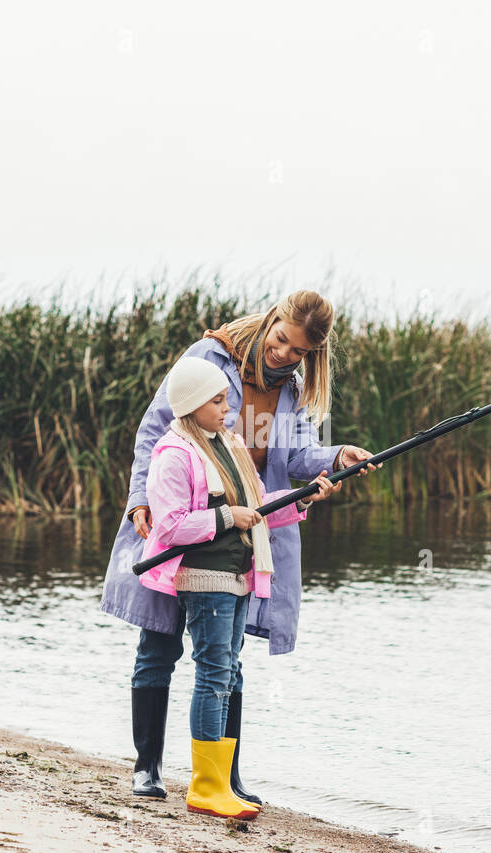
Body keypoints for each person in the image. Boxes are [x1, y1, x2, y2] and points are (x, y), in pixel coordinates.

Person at [99, 290, 379, 803]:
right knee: (159, 643)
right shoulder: (208, 358)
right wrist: (140, 498)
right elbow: (152, 429)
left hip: (243, 528)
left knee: (227, 656)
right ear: (272, 320)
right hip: (182, 522)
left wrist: (336, 456)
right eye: (281, 340)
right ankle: (148, 768)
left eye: (298, 352)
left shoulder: (290, 390)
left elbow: (296, 457)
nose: (284, 355)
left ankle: (224, 776)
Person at [140, 356, 339, 818]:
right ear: (191, 405)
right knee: (212, 675)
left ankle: (221, 783)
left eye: (226, 398)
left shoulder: (225, 444)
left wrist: (302, 495)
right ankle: (206, 787)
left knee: (227, 673)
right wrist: (228, 516)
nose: (229, 408)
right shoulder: (174, 454)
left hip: (238, 575)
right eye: (217, 400)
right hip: (205, 578)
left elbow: (259, 504)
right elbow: (168, 526)